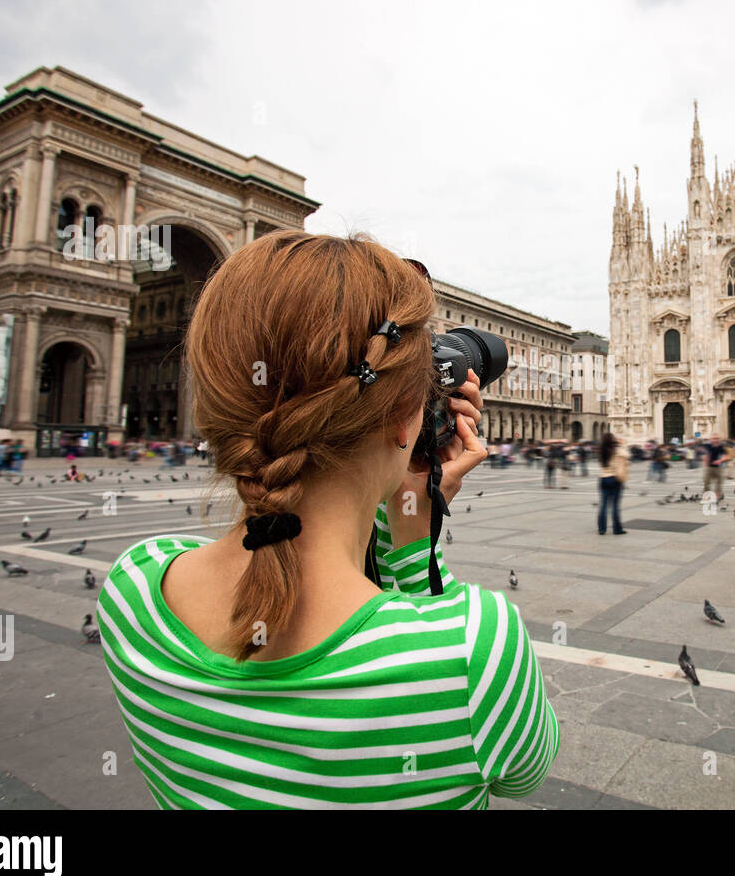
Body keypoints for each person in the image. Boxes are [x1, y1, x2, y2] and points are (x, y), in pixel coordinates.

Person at [96, 232, 557, 809]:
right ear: (403, 418)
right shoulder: (472, 653)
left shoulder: (133, 588)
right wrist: (415, 541)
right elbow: (520, 779)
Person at [597, 432, 628, 536]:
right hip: (614, 479)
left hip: (602, 478)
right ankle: (617, 529)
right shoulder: (616, 451)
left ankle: (602, 529)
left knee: (603, 505)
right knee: (615, 505)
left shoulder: (601, 451)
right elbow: (626, 455)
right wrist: (623, 444)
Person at [703, 434, 728, 500]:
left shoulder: (721, 447)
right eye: (714, 438)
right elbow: (706, 454)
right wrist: (706, 462)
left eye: (717, 438)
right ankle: (707, 495)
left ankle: (718, 495)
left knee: (719, 482)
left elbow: (725, 456)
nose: (715, 440)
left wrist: (719, 461)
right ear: (711, 439)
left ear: (719, 439)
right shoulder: (709, 446)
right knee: (706, 481)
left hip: (718, 467)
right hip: (709, 467)